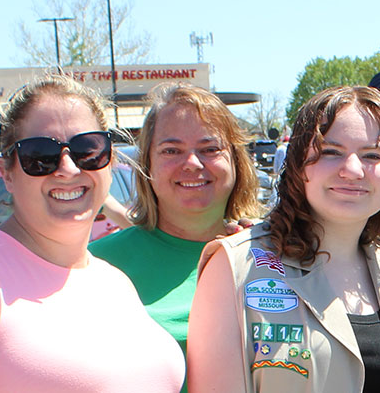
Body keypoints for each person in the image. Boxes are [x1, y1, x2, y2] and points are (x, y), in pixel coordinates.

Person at [0, 76, 183, 392]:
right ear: (7, 173)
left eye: (88, 150)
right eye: (41, 156)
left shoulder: (115, 280)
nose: (68, 169)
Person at [186, 85, 380, 393]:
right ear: (299, 165)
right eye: (330, 152)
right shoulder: (234, 268)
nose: (352, 169)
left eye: (372, 155)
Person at [89, 84, 266, 350]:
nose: (192, 163)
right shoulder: (95, 265)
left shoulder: (271, 255)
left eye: (209, 149)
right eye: (171, 150)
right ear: (148, 164)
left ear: (236, 162)